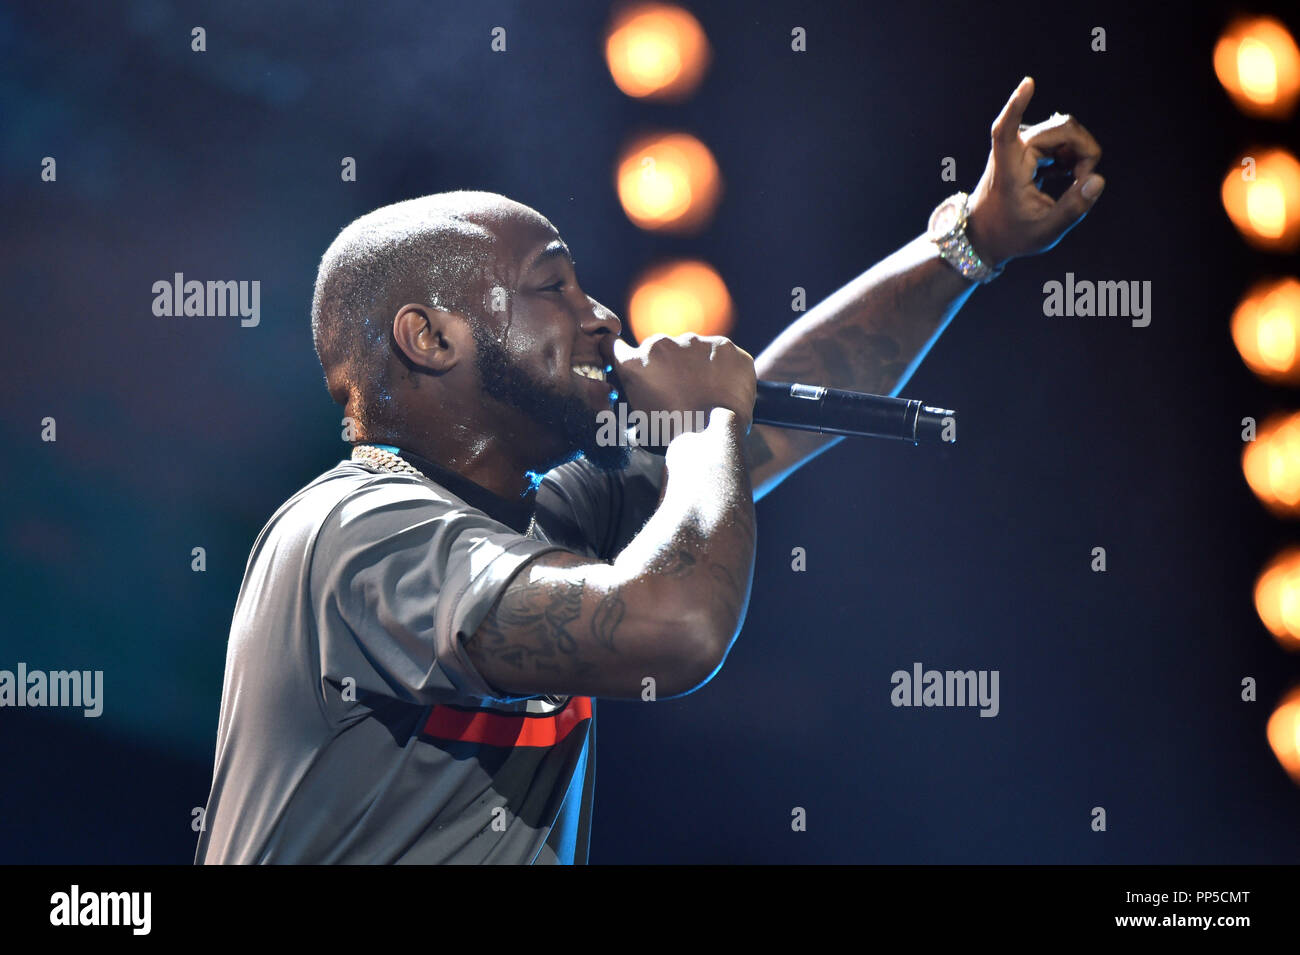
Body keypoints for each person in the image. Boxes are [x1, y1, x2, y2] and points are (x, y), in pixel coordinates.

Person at [195, 77, 1102, 864]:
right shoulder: (359, 532)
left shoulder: (549, 510)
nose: (600, 316)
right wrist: (707, 419)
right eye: (553, 287)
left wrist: (970, 241)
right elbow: (677, 627)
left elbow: (778, 424)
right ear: (430, 337)